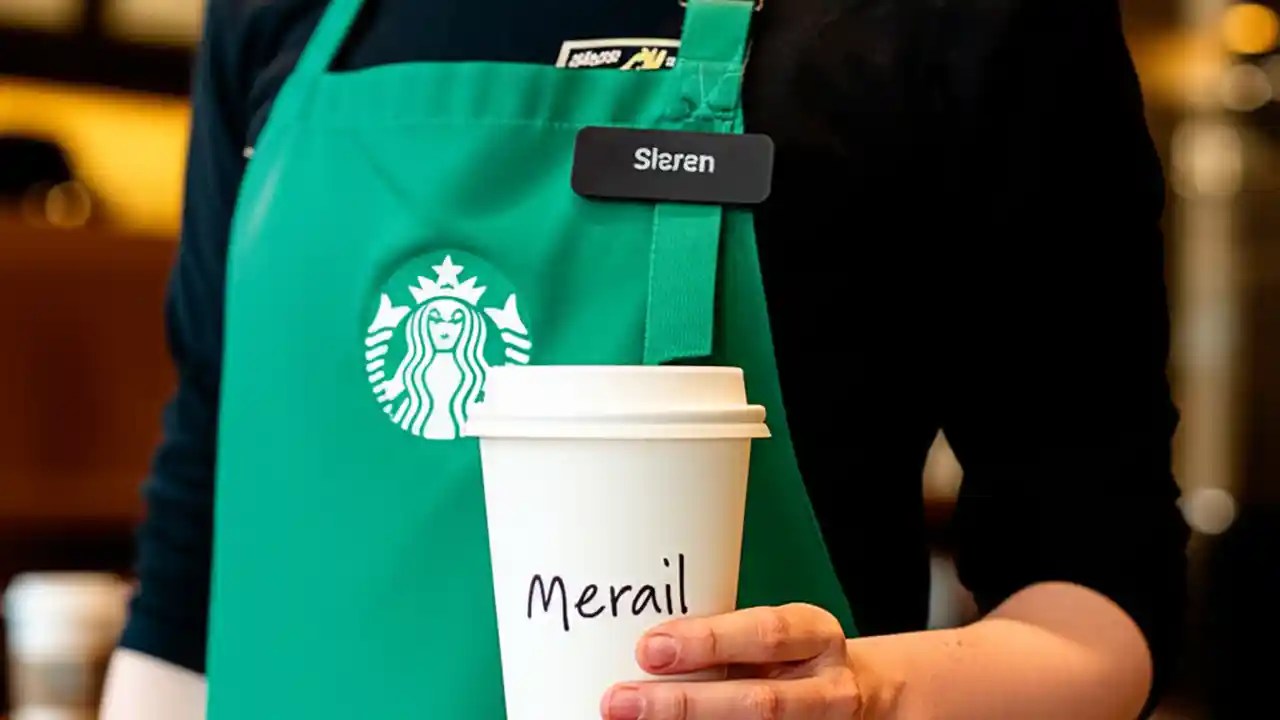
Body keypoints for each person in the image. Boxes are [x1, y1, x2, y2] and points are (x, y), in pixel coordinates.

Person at [100, 0, 1190, 718]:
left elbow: (1103, 588)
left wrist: (867, 691)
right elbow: (198, 537)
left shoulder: (968, 22)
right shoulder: (269, 13)